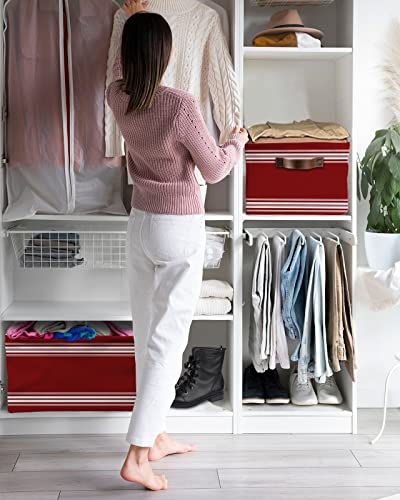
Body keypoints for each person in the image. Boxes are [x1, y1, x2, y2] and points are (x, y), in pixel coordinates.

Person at [107, 0, 248, 491]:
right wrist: (238, 141)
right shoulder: (181, 105)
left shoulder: (116, 96)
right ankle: (136, 455)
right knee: (169, 342)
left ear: (127, 55)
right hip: (178, 224)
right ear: (165, 55)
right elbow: (213, 168)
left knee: (148, 332)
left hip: (140, 220)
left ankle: (158, 433)